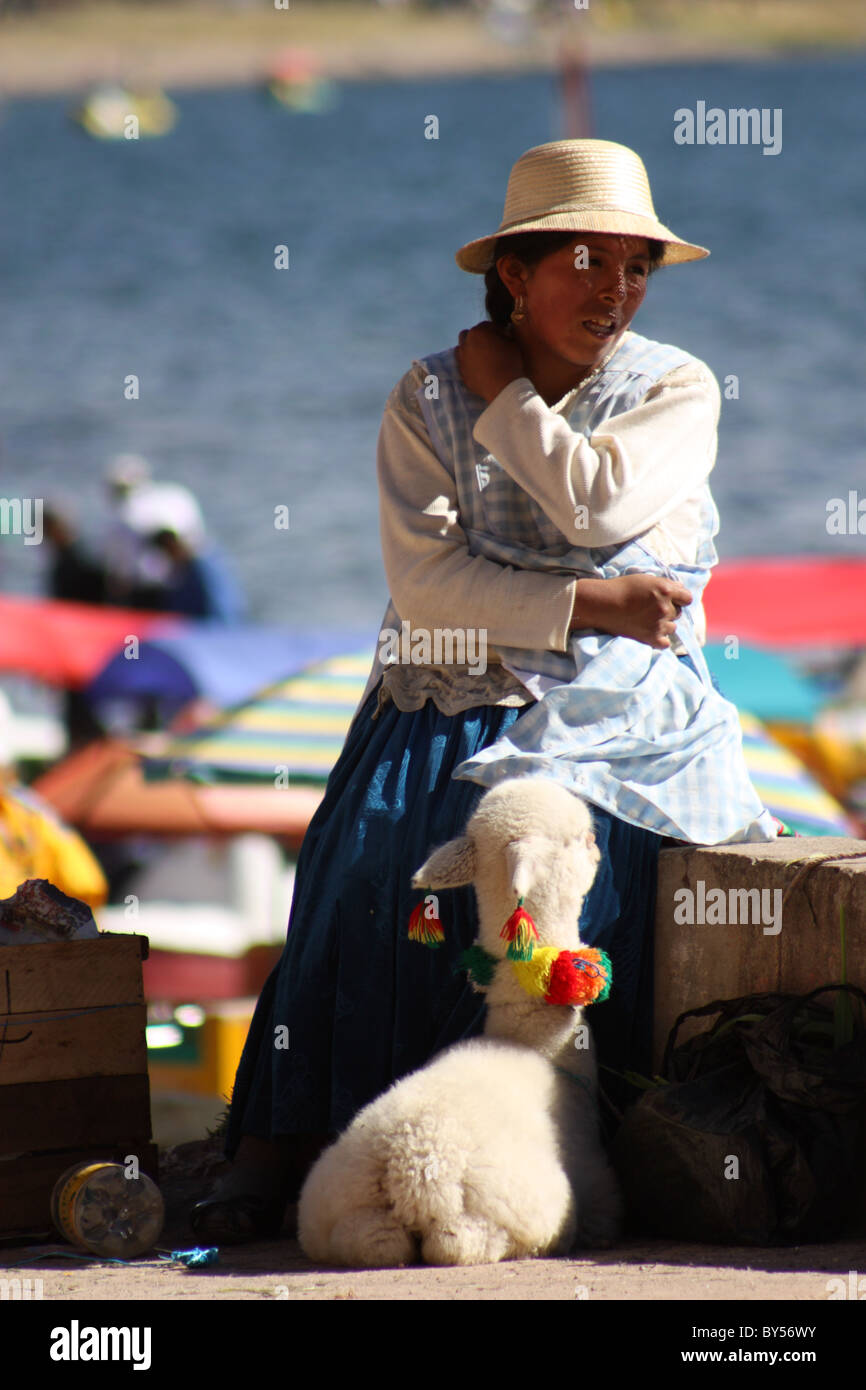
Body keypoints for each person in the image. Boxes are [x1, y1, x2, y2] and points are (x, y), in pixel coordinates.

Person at [191, 138, 776, 1243]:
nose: (615, 289)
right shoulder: (420, 396)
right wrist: (593, 605)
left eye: (634, 266)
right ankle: (300, 1143)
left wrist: (504, 392)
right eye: (584, 259)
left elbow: (596, 505)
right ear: (513, 271)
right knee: (372, 877)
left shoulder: (672, 387)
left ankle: (572, 1156)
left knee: (574, 901)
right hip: (438, 696)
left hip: (619, 719)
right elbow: (425, 589)